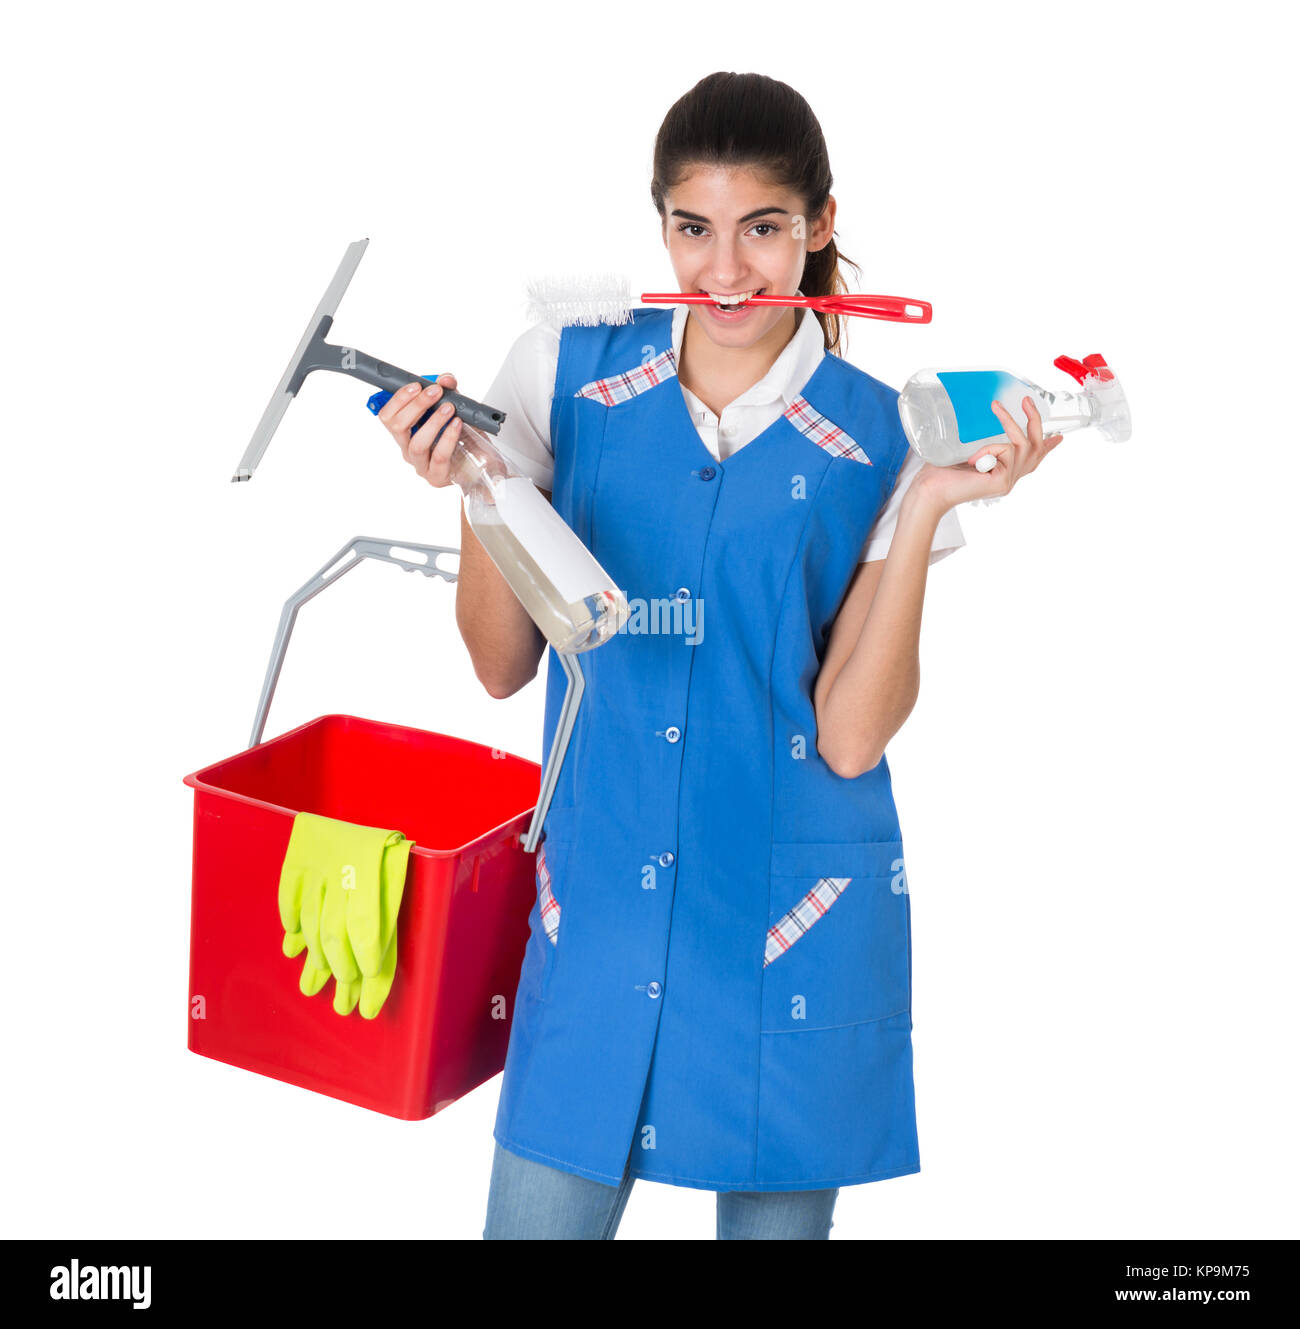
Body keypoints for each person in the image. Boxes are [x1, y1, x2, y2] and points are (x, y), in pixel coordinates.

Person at [378, 71, 1063, 1240]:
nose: (726, 271)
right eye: (692, 229)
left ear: (820, 226)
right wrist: (475, 487)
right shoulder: (563, 370)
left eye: (763, 229)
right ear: (658, 226)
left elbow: (850, 731)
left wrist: (935, 501)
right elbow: (500, 667)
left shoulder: (880, 435)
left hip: (789, 915)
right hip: (596, 910)